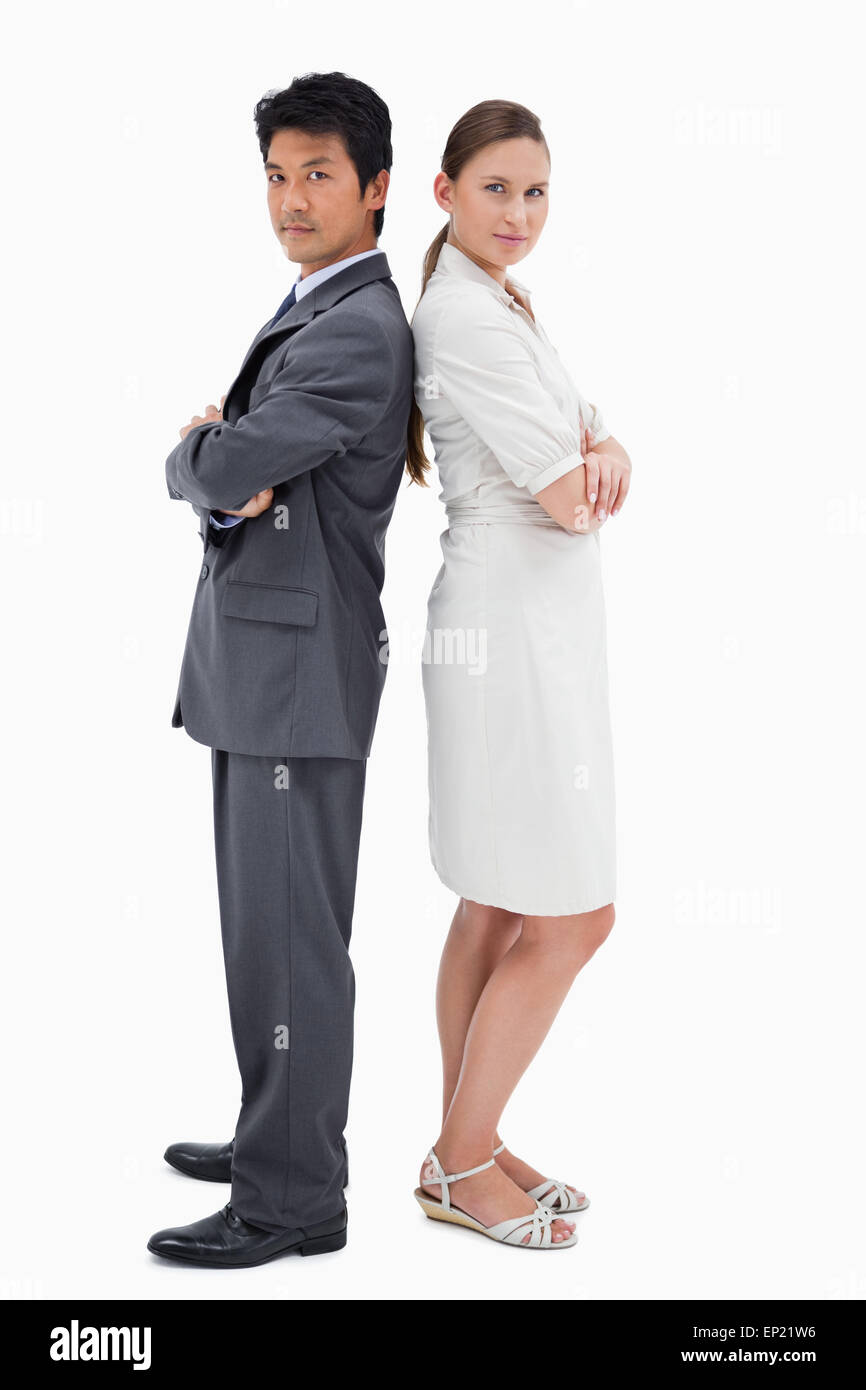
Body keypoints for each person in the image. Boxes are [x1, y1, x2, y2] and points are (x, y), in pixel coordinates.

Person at [148, 72, 421, 1268]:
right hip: (268, 667)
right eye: (275, 174)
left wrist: (199, 450)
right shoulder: (317, 300)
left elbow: (224, 466)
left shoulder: (358, 325)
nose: (290, 198)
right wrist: (220, 467)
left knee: (290, 944)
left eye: (317, 174)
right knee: (265, 936)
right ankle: (281, 1133)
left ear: (375, 190)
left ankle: (292, 1197)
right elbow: (237, 479)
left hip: (294, 679)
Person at [407, 99, 632, 1249]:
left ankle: (470, 1140)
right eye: (496, 188)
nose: (519, 212)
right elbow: (569, 488)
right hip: (504, 639)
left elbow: (598, 437)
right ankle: (460, 1157)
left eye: (536, 191)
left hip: (519, 632)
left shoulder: (499, 302)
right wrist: (596, 460)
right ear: (443, 192)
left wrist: (601, 449)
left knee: (497, 896)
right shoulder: (465, 319)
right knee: (573, 910)